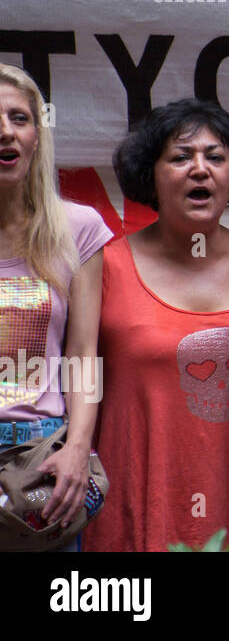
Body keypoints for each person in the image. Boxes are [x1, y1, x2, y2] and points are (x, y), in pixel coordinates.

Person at [83, 99, 229, 552]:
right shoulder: (104, 266)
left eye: (215, 156)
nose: (200, 169)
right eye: (180, 157)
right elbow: (74, 380)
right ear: (149, 174)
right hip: (133, 516)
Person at [0, 63, 112, 547]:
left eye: (18, 118)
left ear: (37, 136)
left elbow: (84, 355)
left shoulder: (78, 227)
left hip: (41, 459)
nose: (5, 132)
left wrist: (77, 447)